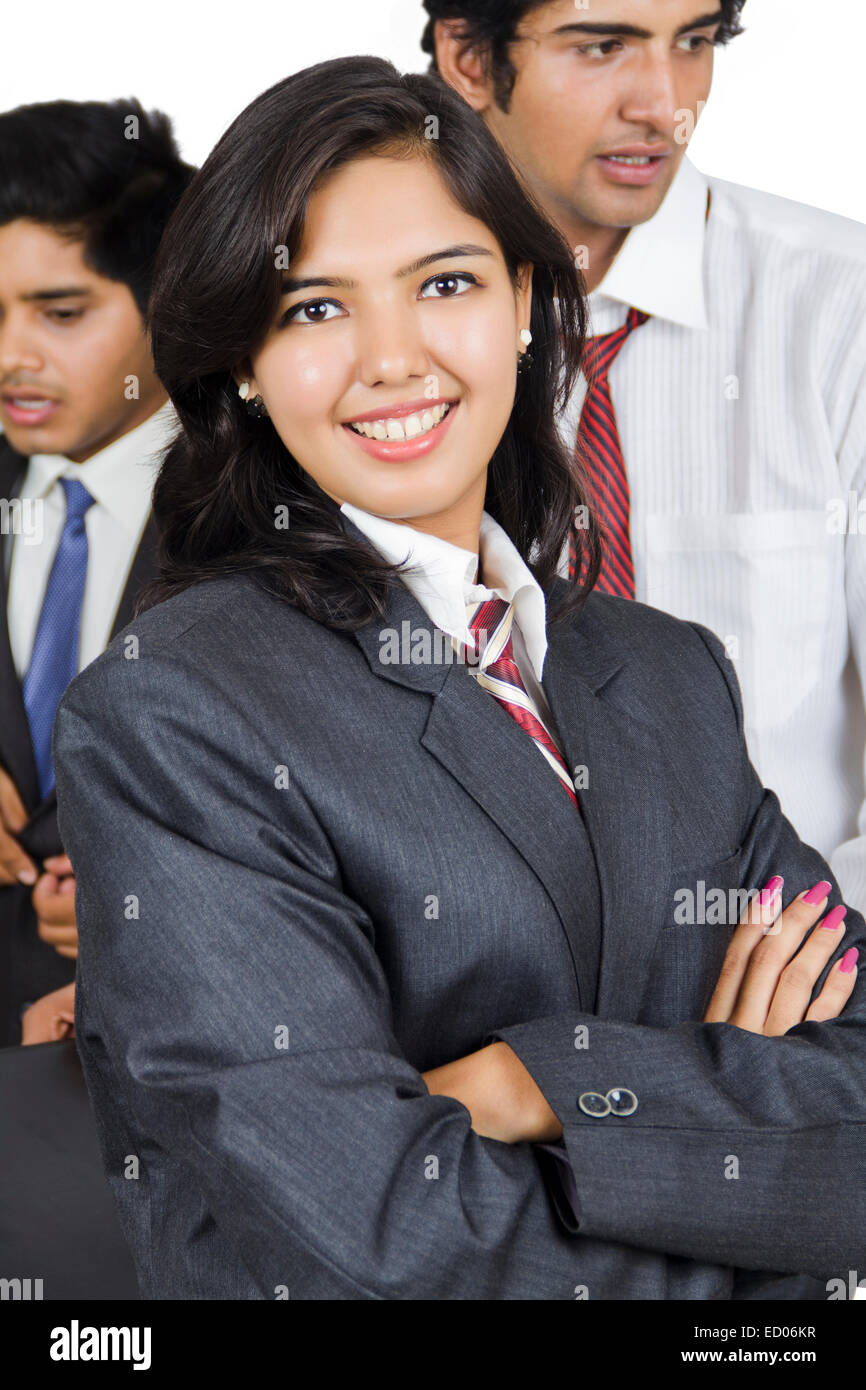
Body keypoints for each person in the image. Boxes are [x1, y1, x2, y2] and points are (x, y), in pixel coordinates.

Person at [54, 57, 864, 1301]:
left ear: (529, 300)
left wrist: (528, 1083)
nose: (394, 358)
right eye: (314, 308)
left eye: (444, 283)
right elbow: (376, 1237)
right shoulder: (173, 709)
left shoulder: (669, 673)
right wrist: (750, 1210)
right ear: (246, 366)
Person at [421, 0, 866, 916]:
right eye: (603, 46)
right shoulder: (366, 345)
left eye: (695, 42)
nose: (666, 106)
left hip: (801, 971)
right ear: (469, 57)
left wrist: (815, 957)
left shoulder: (838, 308)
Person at [0, 97, 194, 1045]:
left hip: (149, 1071)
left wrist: (155, 896)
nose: (9, 358)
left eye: (60, 312)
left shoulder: (269, 512)